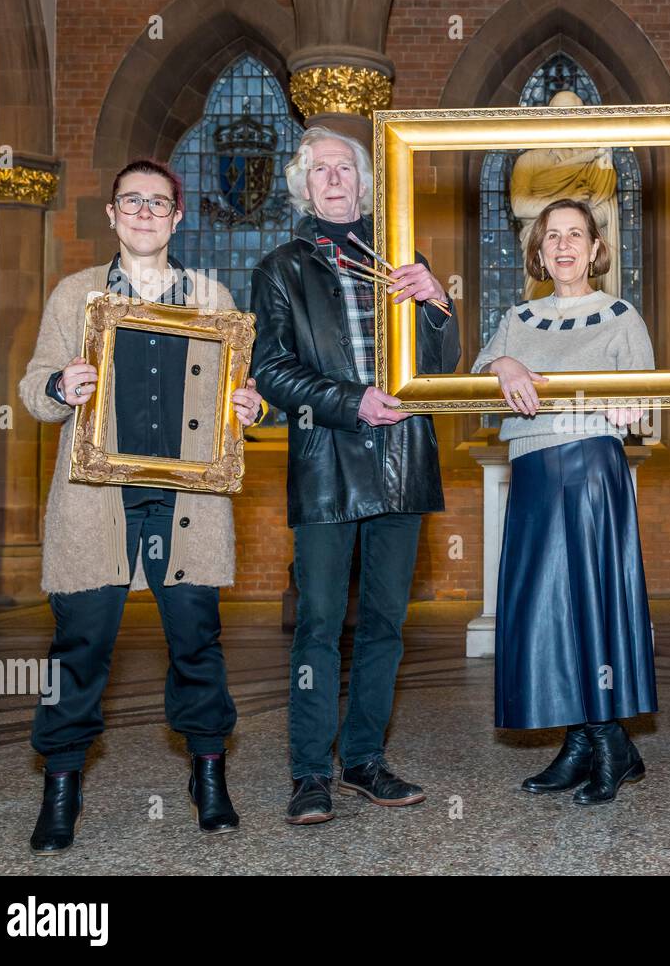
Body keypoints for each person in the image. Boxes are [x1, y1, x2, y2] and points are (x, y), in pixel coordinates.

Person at [17, 159, 263, 855]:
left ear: (179, 216)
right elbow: (35, 387)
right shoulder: (76, 295)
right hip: (97, 501)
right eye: (133, 201)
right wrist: (61, 384)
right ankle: (61, 785)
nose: (146, 213)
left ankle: (208, 773)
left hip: (184, 504)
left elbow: (241, 392)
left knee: (195, 644)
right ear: (113, 214)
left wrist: (251, 405)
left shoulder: (210, 295)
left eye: (160, 202)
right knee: (80, 645)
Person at [251, 127, 460, 825]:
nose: (335, 179)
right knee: (316, 625)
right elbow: (270, 371)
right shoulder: (281, 267)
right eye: (321, 170)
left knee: (383, 623)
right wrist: (351, 402)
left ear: (365, 184)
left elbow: (443, 367)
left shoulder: (403, 256)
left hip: (403, 459)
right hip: (325, 462)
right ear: (303, 185)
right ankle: (310, 772)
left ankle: (364, 759)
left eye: (346, 169)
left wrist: (437, 304)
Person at [472, 198, 656, 805]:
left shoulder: (622, 315)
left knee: (591, 602)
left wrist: (632, 411)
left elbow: (648, 409)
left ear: (597, 249)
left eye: (576, 234)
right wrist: (499, 362)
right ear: (539, 250)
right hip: (530, 471)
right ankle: (582, 741)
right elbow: (471, 391)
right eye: (553, 236)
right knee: (544, 607)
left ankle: (606, 742)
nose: (565, 245)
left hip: (589, 473)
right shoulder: (515, 319)